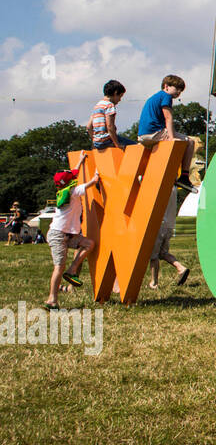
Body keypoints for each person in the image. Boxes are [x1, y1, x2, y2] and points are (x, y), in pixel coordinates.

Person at [44, 165, 101, 309]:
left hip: (69, 234)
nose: (75, 178)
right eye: (72, 177)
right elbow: (93, 182)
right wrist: (96, 175)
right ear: (69, 182)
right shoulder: (73, 191)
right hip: (58, 235)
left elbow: (70, 176)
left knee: (89, 243)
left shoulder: (64, 190)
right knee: (59, 267)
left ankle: (72, 269)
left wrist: (81, 162)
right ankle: (52, 299)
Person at [137, 75, 201, 188]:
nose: (179, 92)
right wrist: (171, 137)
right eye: (177, 88)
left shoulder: (154, 97)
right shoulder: (166, 96)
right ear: (166, 86)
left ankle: (148, 174)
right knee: (189, 142)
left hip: (143, 136)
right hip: (154, 133)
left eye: (181, 90)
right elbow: (168, 118)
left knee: (162, 150)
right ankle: (184, 177)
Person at [147, 187, 189, 288]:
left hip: (158, 224)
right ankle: (180, 268)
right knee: (163, 253)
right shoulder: (174, 188)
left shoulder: (160, 186)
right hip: (169, 225)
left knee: (153, 256)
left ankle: (154, 283)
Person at [87, 80, 132, 151]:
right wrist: (117, 144)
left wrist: (95, 141)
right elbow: (110, 127)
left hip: (97, 143)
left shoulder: (97, 106)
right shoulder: (109, 105)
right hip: (107, 140)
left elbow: (89, 127)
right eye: (120, 96)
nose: (120, 100)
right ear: (115, 93)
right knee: (135, 146)